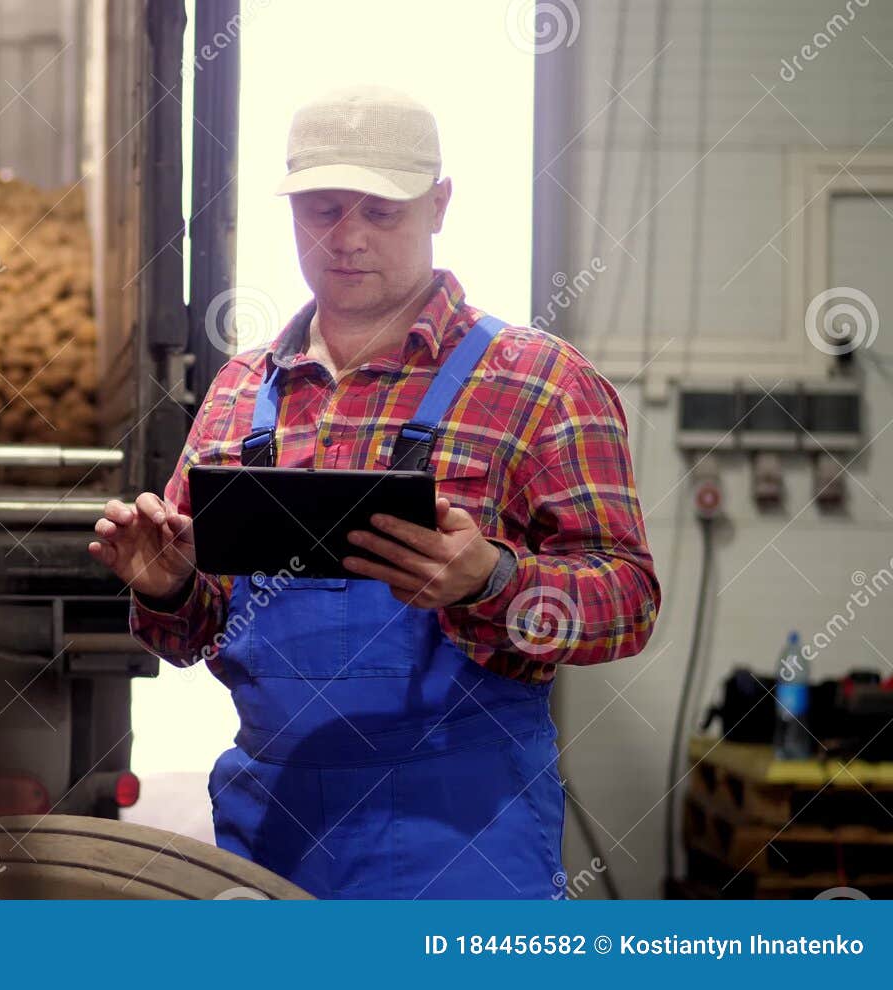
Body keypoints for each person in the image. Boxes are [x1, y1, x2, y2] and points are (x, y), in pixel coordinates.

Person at [86, 84, 660, 899]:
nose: (347, 238)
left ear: (438, 205)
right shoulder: (238, 392)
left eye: (381, 212)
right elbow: (193, 634)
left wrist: (493, 580)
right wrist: (170, 585)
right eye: (322, 209)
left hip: (461, 832)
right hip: (272, 825)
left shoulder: (540, 383)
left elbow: (628, 601)